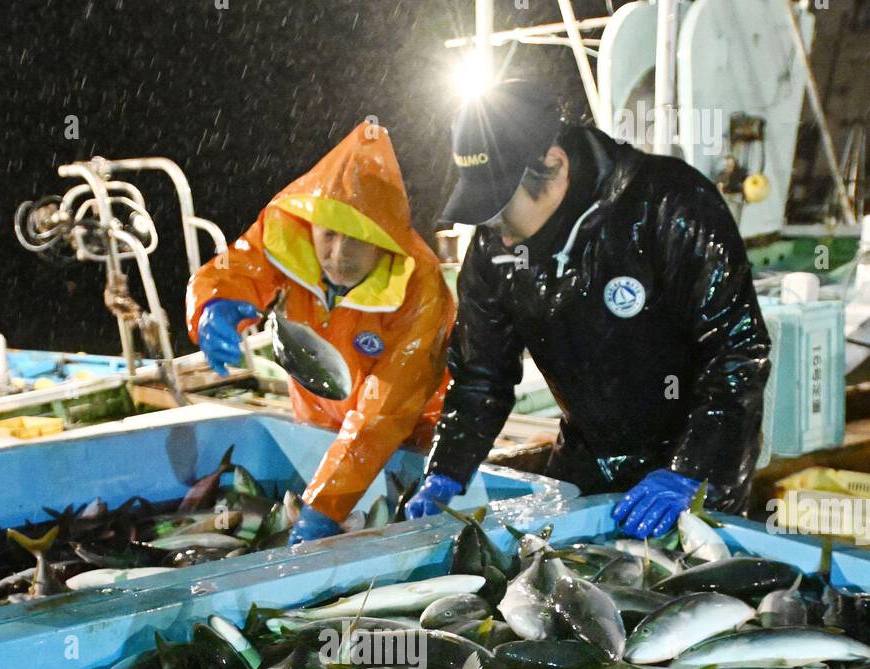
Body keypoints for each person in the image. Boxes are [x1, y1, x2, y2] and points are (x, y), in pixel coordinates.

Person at [406, 80, 772, 538]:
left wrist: (692, 468)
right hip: (583, 457)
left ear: (554, 165)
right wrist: (447, 468)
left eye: (502, 208)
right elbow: (482, 373)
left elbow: (736, 351)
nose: (496, 234)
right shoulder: (494, 250)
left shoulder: (670, 203)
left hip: (689, 464)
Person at [186, 122, 455, 544]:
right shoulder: (289, 237)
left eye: (356, 241)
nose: (337, 256)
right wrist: (210, 306)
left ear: (384, 242)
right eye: (328, 234)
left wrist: (326, 506)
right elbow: (235, 269)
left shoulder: (420, 289)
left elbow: (383, 414)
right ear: (309, 222)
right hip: (315, 425)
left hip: (410, 439)